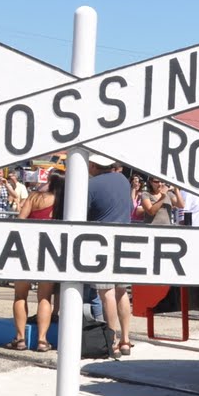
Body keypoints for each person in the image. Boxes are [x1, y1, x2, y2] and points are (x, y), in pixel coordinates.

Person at [86, 152, 136, 358]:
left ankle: (112, 340)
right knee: (121, 291)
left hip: (102, 240)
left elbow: (83, 213)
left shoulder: (91, 185)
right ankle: (126, 339)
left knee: (106, 292)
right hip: (124, 239)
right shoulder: (123, 180)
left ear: (94, 165)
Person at [9, 170, 62, 352]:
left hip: (27, 249)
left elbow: (20, 220)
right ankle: (42, 340)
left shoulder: (34, 197)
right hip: (50, 251)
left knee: (20, 295)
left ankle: (20, 338)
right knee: (45, 297)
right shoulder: (62, 201)